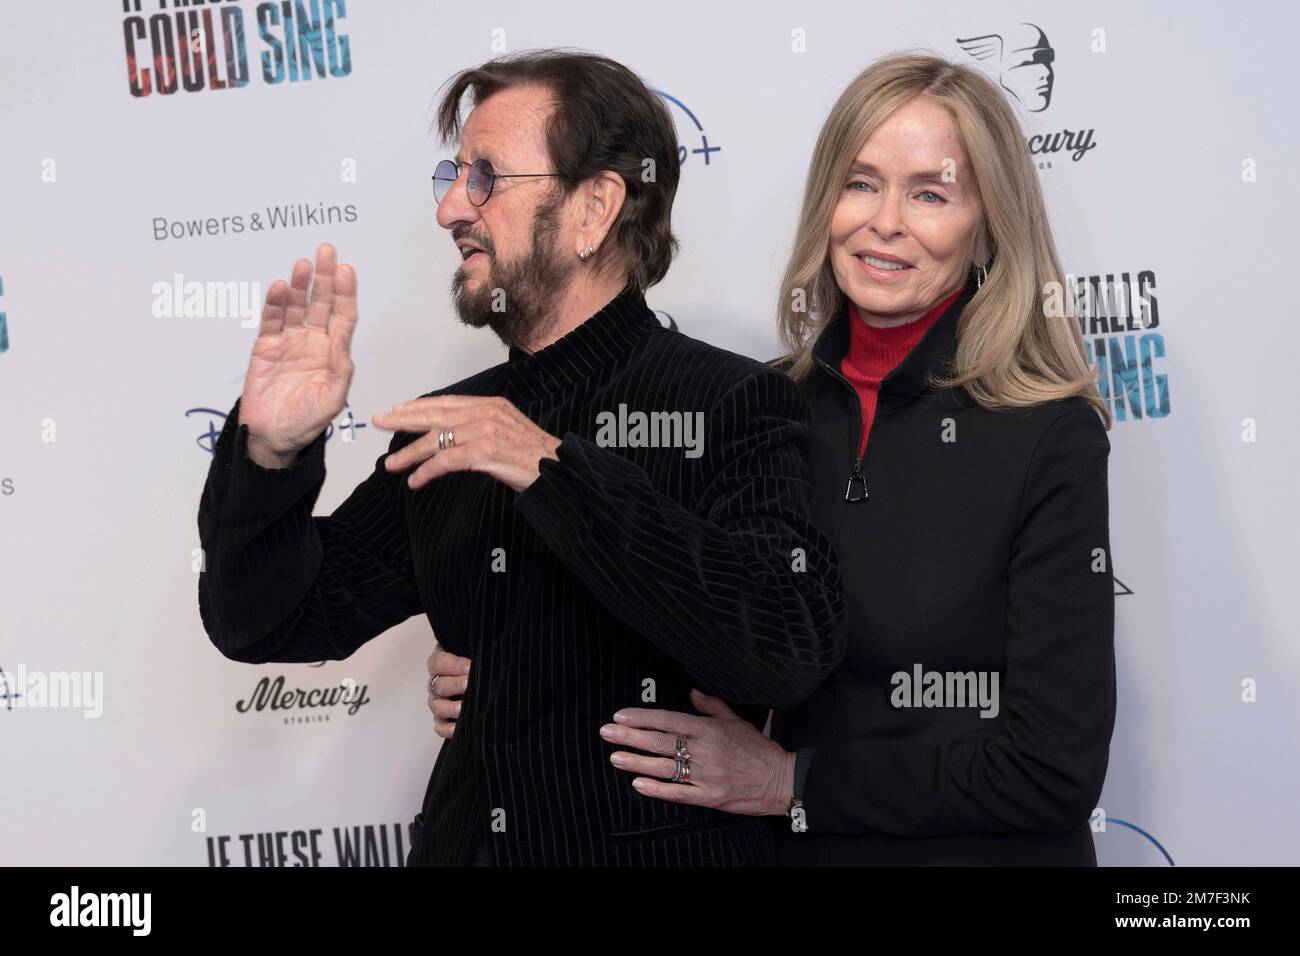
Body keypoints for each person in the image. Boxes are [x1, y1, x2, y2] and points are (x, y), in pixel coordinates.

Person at [430, 52, 1116, 866]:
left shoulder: (1047, 434)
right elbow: (680, 612)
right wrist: (509, 670)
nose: (885, 221)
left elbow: (1052, 768)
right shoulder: (751, 406)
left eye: (930, 193)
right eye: (860, 183)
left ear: (988, 224)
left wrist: (793, 781)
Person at [195, 49, 845, 867]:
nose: (450, 211)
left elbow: (785, 644)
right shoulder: (449, 425)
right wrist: (271, 450)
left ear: (594, 209)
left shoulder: (734, 404)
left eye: (487, 177)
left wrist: (551, 467)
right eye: (452, 175)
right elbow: (267, 622)